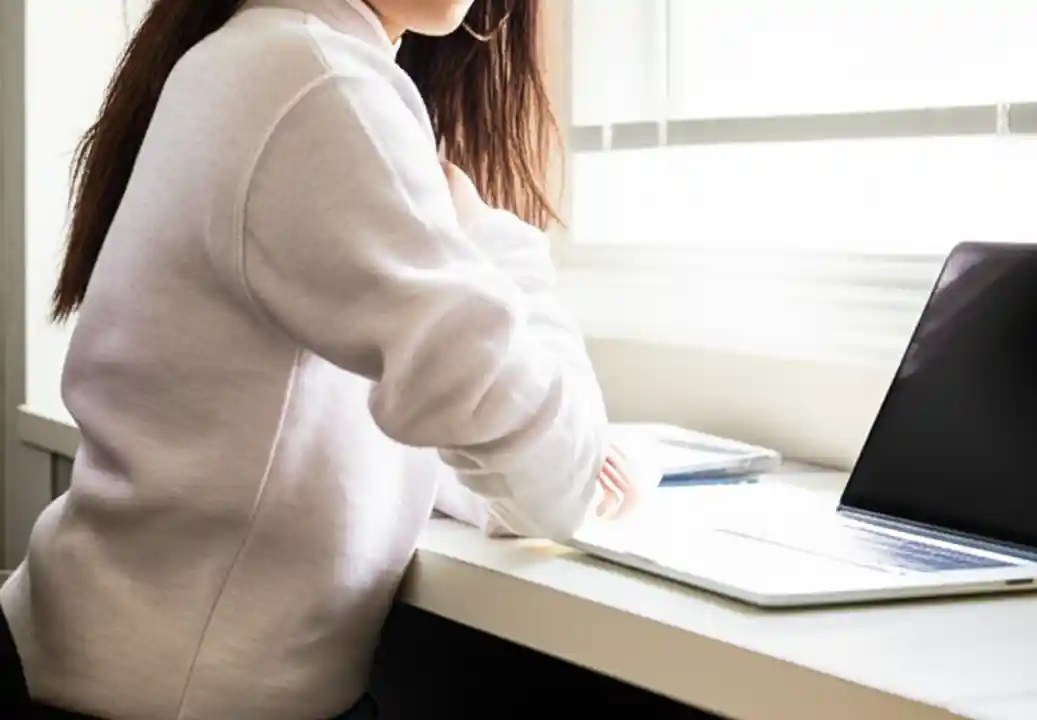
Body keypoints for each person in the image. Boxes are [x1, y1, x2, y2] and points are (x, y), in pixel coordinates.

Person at [0, 0, 653, 717]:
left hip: (124, 672)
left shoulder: (268, 61)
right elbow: (550, 478)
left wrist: (537, 468)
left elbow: (343, 425)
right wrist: (491, 235)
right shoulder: (315, 86)